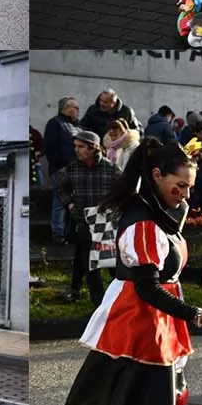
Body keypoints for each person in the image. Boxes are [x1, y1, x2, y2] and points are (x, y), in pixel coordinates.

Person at [57, 139, 202, 405]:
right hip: (138, 330)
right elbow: (147, 286)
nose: (185, 194)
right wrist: (197, 315)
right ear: (156, 174)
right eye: (179, 185)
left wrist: (201, 275)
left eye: (190, 187)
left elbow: (162, 267)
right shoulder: (142, 221)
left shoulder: (155, 212)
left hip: (152, 327)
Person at [60, 129, 119, 305]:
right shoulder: (72, 169)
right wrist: (69, 204)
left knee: (111, 262)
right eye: (75, 146)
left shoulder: (110, 168)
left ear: (93, 148)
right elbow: (61, 188)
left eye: (81, 147)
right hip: (84, 221)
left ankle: (118, 297)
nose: (77, 150)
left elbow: (124, 190)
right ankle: (98, 302)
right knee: (89, 263)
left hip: (105, 222)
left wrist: (113, 207)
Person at [45, 96, 81, 243]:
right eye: (75, 107)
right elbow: (50, 148)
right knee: (60, 202)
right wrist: (61, 165)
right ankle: (58, 233)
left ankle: (69, 232)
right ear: (65, 108)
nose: (78, 111)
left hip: (77, 169)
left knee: (73, 201)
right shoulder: (55, 124)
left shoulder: (78, 126)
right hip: (61, 169)